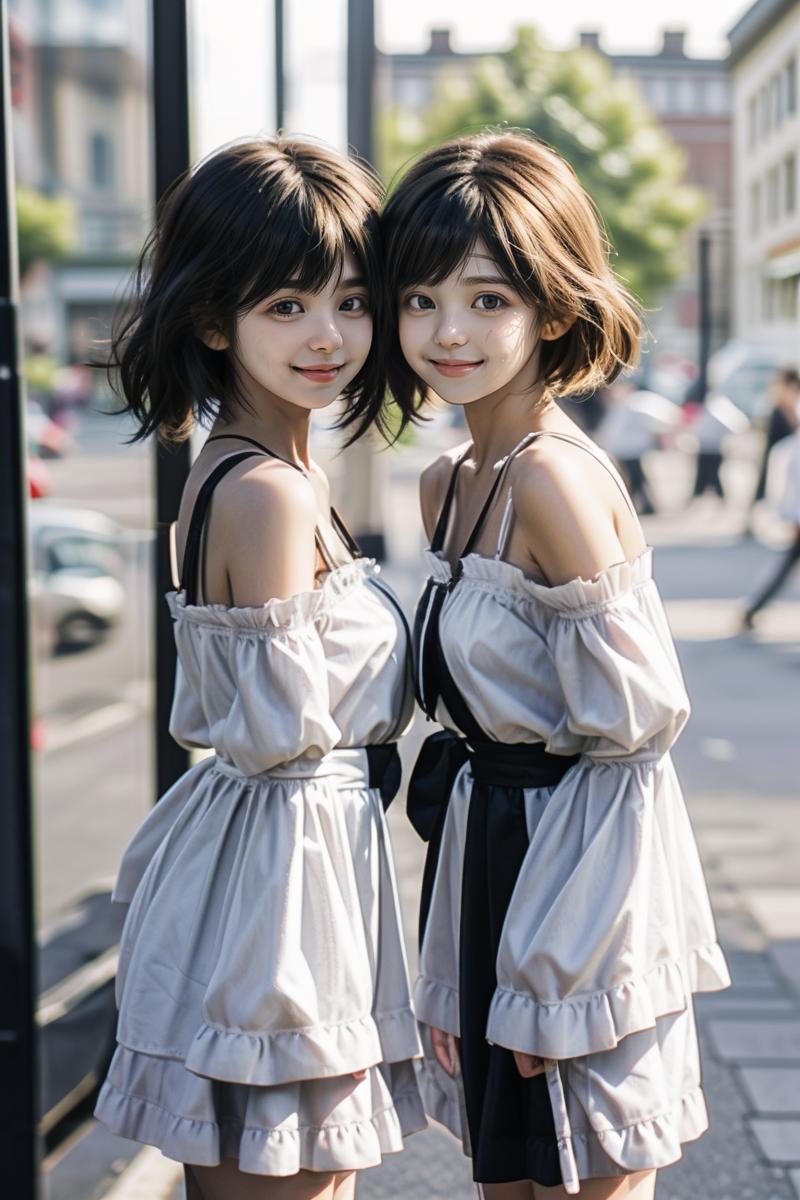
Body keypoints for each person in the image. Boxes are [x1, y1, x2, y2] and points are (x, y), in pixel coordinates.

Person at [382, 131, 730, 1200]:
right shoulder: (451, 480)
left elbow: (630, 750)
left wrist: (558, 973)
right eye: (420, 298)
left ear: (550, 306)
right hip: (490, 870)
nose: (449, 332)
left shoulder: (554, 482)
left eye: (487, 299)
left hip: (576, 900)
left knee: (583, 1178)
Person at [93, 137, 425, 1200]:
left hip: (279, 867)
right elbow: (288, 737)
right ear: (210, 317)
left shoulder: (268, 468)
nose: (327, 336)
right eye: (284, 305)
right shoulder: (266, 492)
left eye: (349, 300)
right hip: (280, 893)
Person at [594, 375, 681, 515]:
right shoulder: (623, 405)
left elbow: (660, 419)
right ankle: (643, 506)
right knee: (637, 479)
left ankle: (638, 506)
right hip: (625, 450)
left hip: (630, 450)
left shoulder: (634, 403)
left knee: (634, 480)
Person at [743, 423, 800, 628]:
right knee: (784, 569)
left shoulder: (789, 447)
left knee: (784, 568)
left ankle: (753, 607)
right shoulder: (791, 448)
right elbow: (788, 491)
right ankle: (753, 607)